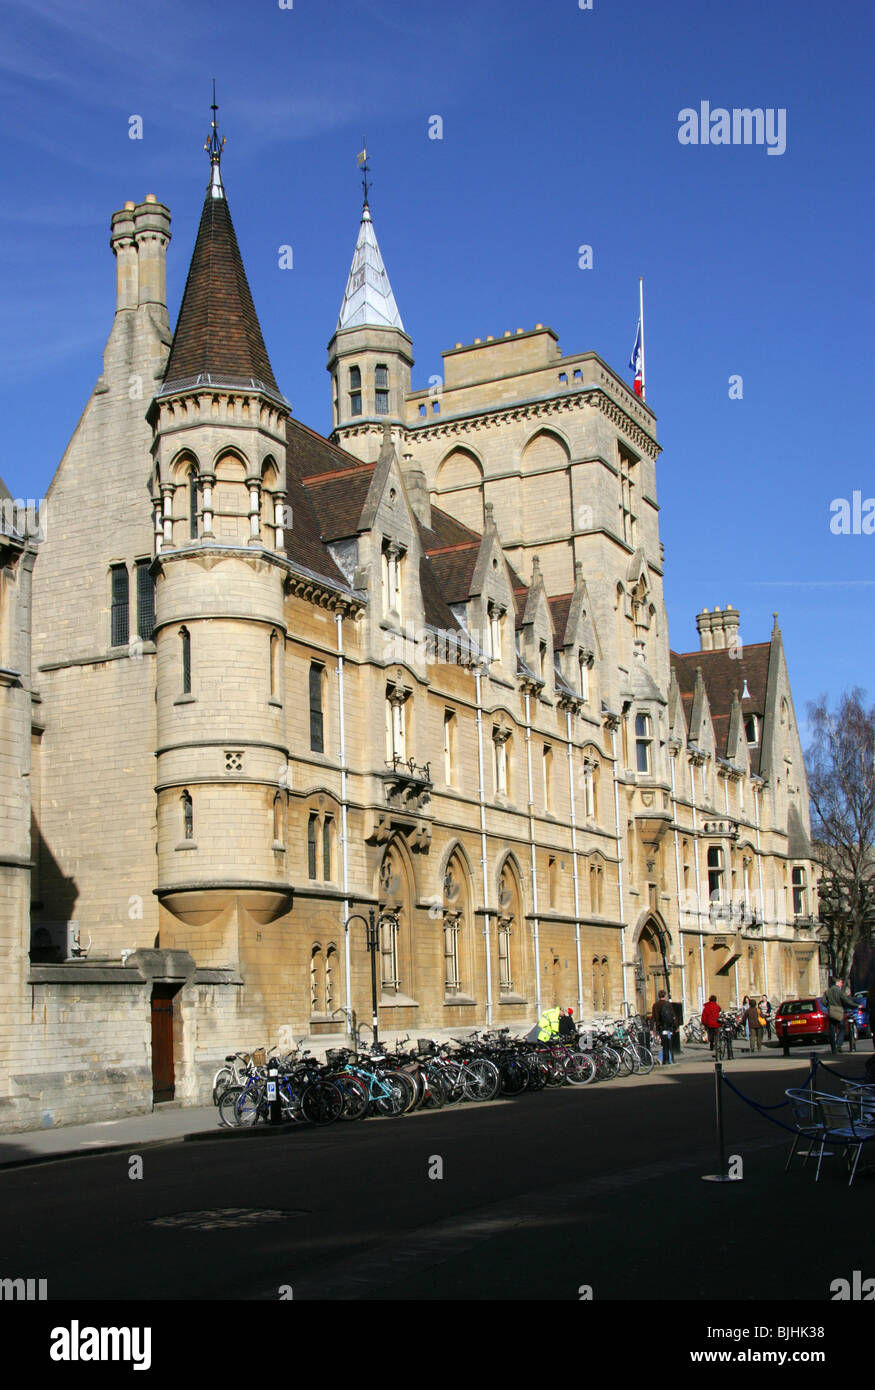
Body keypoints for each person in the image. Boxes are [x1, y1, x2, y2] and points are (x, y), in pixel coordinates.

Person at [824, 977, 858, 1053]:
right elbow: (846, 1001)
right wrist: (856, 1005)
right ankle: (838, 1044)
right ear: (838, 982)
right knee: (842, 1028)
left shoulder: (827, 991)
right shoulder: (839, 991)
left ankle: (833, 1048)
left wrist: (828, 1006)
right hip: (839, 1011)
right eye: (841, 982)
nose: (842, 984)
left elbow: (823, 1001)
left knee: (832, 1030)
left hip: (831, 1012)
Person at [651, 990, 676, 1065]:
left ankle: (663, 1059)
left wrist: (651, 1028)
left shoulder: (655, 1005)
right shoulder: (668, 1004)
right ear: (664, 996)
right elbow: (673, 1016)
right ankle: (667, 1060)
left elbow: (653, 1017)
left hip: (660, 1026)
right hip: (668, 1027)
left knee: (663, 1043)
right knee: (668, 1044)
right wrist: (676, 1027)